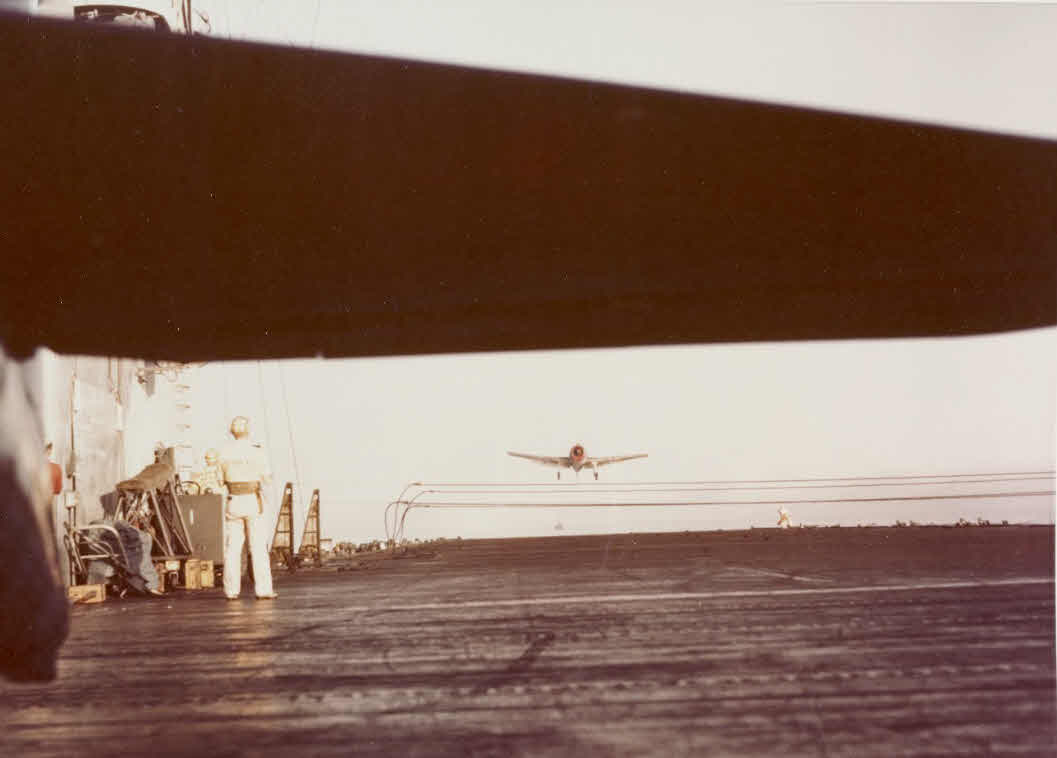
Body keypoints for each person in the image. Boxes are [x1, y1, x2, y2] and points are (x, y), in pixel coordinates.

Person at [218, 416, 277, 600]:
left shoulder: (224, 452)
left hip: (233, 500)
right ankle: (263, 590)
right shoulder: (257, 451)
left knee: (232, 548)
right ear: (248, 430)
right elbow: (266, 478)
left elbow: (220, 481)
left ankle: (231, 590)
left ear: (230, 430)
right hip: (253, 500)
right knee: (258, 547)